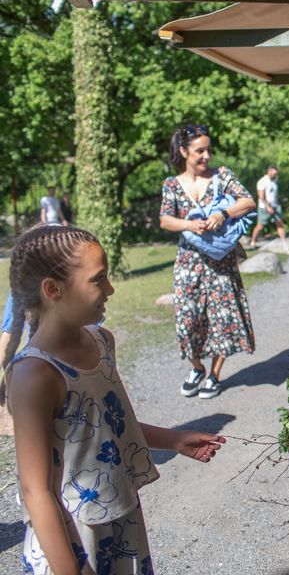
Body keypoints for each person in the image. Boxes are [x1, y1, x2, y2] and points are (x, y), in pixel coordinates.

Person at [2, 223, 225, 574]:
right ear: (53, 289)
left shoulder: (101, 341)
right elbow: (36, 491)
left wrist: (174, 440)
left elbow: (107, 422)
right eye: (98, 279)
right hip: (71, 540)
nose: (111, 288)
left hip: (119, 522)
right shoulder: (35, 375)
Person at [160, 124, 256, 399]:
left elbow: (248, 202)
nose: (206, 156)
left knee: (223, 319)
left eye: (208, 150)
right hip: (189, 262)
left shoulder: (222, 176)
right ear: (183, 151)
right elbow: (165, 220)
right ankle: (197, 367)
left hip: (221, 262)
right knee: (187, 319)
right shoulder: (172, 184)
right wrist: (189, 225)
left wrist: (223, 214)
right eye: (199, 150)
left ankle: (214, 375)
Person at [249, 165, 286, 248]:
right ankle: (253, 241)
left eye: (276, 174)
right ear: (269, 172)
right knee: (260, 226)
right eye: (273, 174)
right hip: (264, 207)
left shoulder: (275, 180)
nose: (275, 175)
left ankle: (284, 243)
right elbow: (261, 196)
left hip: (275, 206)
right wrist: (268, 207)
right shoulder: (262, 181)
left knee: (279, 223)